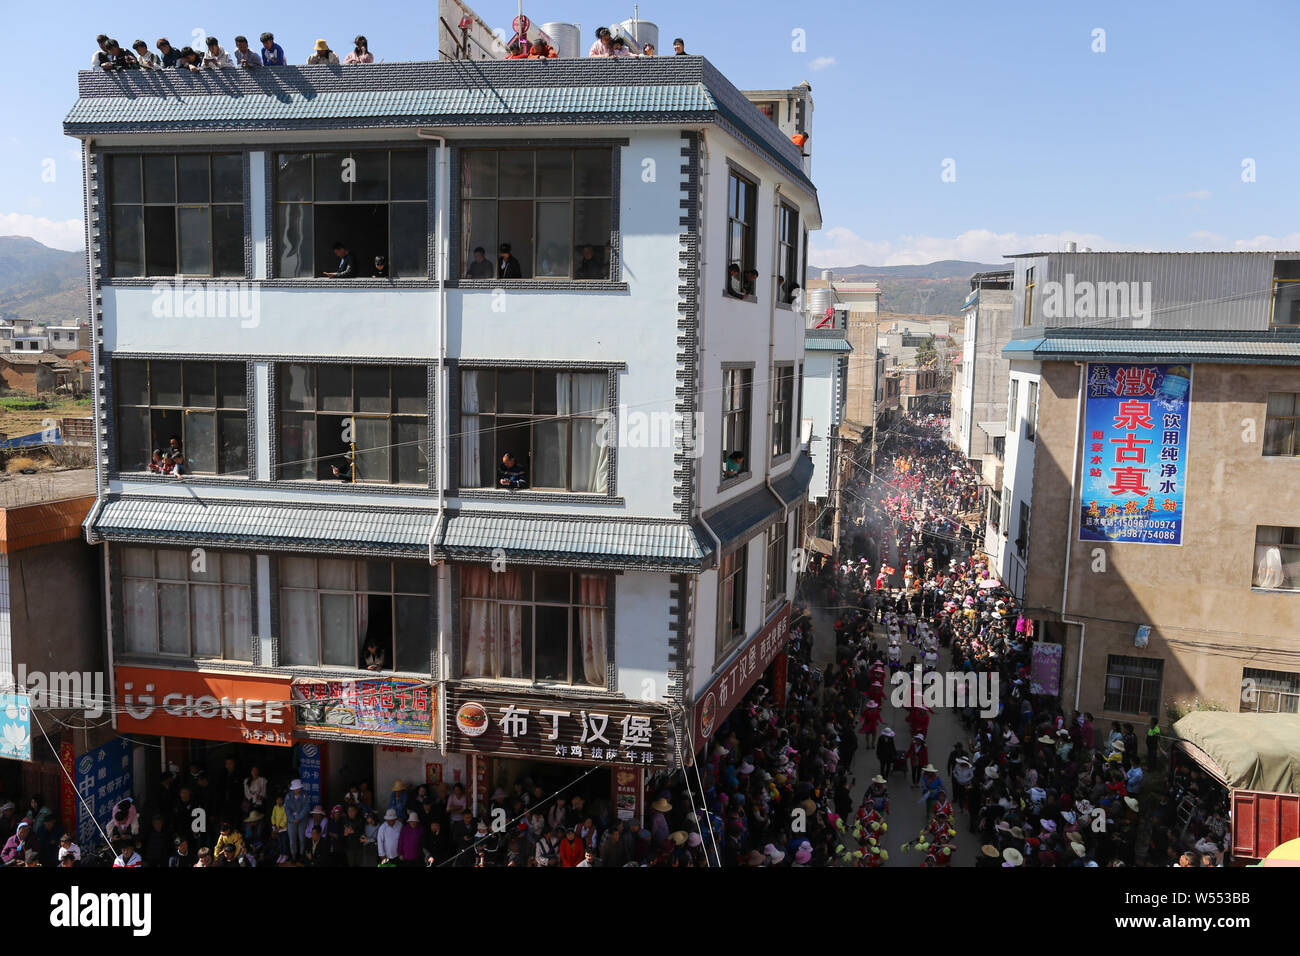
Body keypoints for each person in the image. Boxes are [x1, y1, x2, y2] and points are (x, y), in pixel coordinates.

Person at [284, 779, 308, 861]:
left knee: (302, 838)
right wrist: (292, 819)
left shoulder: (304, 795)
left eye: (299, 788)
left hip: (302, 819)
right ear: (293, 789)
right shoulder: (288, 796)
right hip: (291, 821)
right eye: (297, 788)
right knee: (292, 839)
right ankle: (293, 855)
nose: (299, 789)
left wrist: (298, 818)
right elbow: (286, 809)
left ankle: (301, 854)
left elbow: (306, 808)